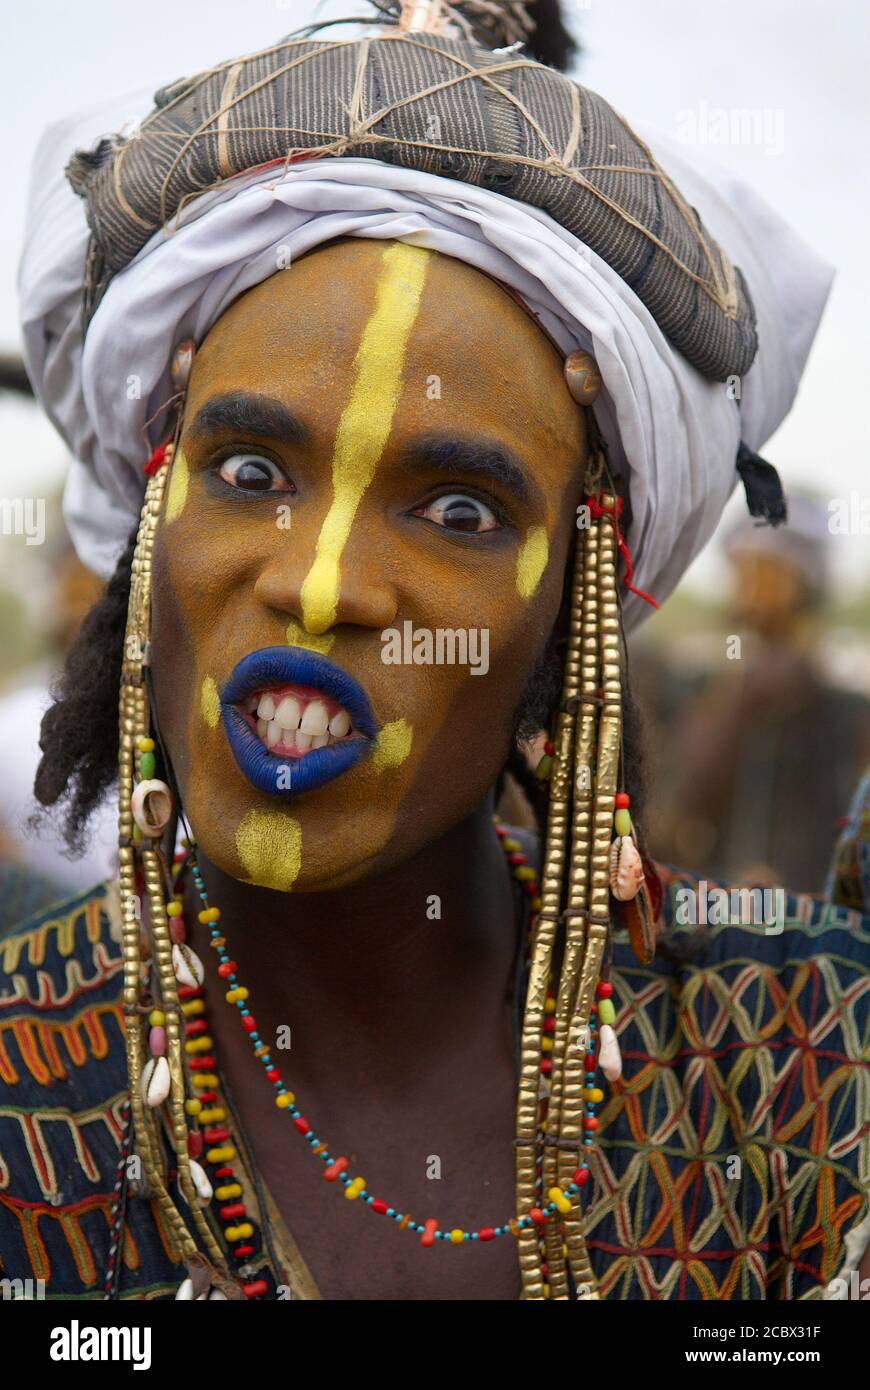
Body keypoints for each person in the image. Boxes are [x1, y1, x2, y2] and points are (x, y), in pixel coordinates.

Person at [3, 0, 865, 1301]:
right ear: (150, 524)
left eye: (458, 508)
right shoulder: (22, 1065)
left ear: (574, 606)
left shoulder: (804, 1061)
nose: (320, 581)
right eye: (248, 469)